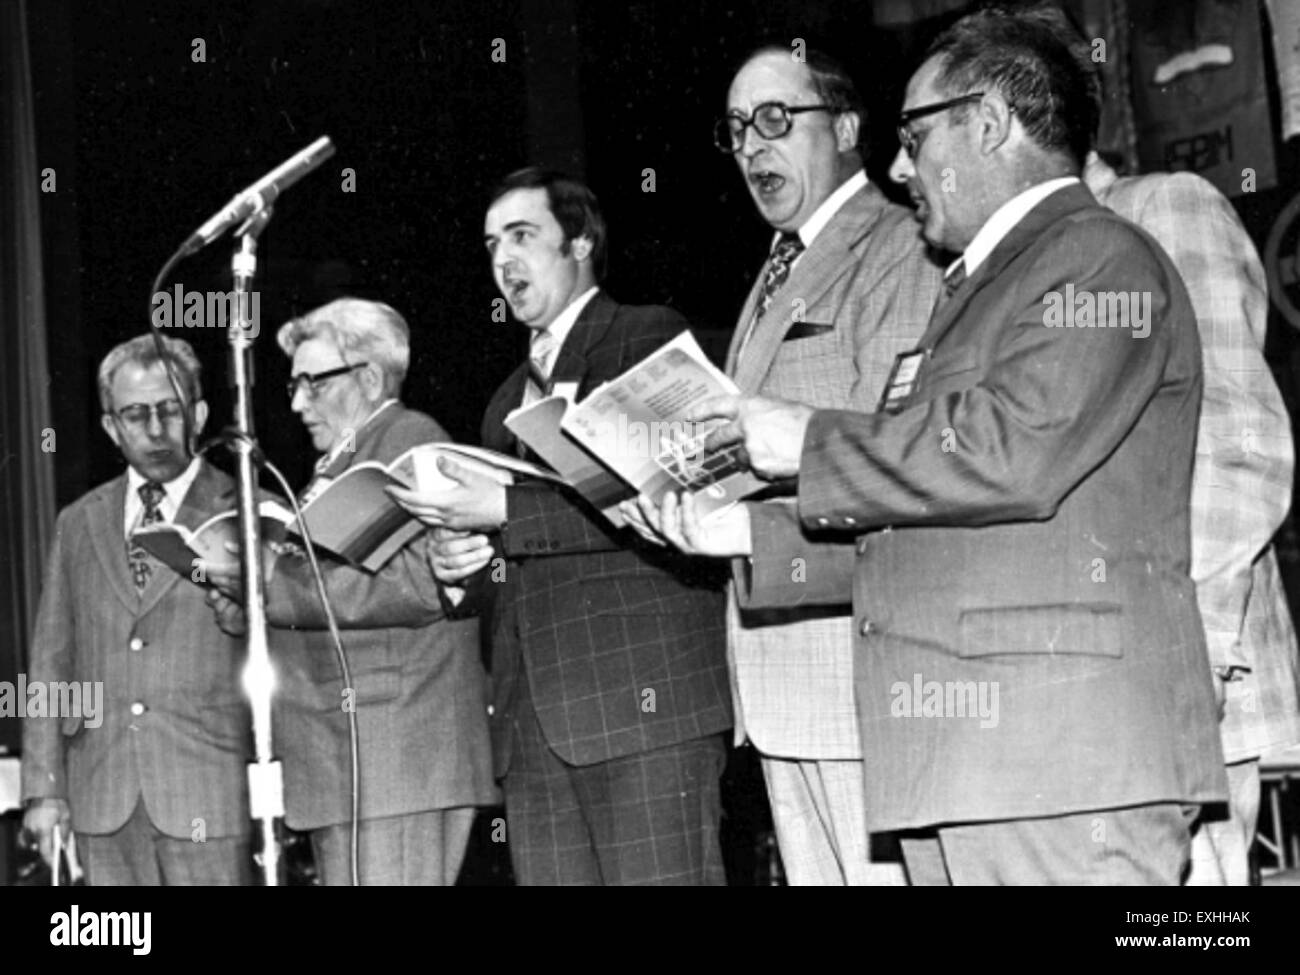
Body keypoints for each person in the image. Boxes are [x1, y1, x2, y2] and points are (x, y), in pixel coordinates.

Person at [653, 9, 1228, 884]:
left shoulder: (1100, 260)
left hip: (1060, 767)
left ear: (988, 124)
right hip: (974, 771)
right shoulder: (979, 291)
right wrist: (742, 537)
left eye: (914, 136)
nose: (894, 165)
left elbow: (1008, 453)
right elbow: (930, 514)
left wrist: (809, 438)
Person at [391, 168, 732, 885]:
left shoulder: (645, 337)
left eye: (522, 236)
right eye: (490, 246)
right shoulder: (504, 402)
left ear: (580, 241)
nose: (503, 261)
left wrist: (503, 512)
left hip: (644, 717)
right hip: (533, 735)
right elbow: (519, 566)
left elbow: (672, 505)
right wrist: (467, 564)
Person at [651, 44, 939, 884]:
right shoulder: (780, 266)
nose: (753, 146)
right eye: (738, 128)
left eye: (778, 119)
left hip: (856, 673)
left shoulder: (896, 246)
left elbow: (889, 447)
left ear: (847, 127)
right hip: (782, 683)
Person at [208, 298, 495, 885]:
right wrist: (247, 605)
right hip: (351, 757)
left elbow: (421, 583)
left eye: (312, 383)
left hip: (396, 760)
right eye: (292, 385)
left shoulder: (409, 441)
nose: (296, 403)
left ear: (368, 377)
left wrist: (267, 586)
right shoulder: (336, 464)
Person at [1084, 152, 1300, 884]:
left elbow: (1236, 440)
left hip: (1188, 690)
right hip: (1096, 696)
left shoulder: (1163, 208)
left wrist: (1195, 652)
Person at [21, 334, 252, 885]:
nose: (154, 429)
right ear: (110, 427)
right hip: (101, 800)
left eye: (169, 410)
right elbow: (53, 662)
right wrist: (44, 789)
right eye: (134, 413)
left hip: (210, 797)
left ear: (197, 414)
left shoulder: (247, 509)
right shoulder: (78, 522)